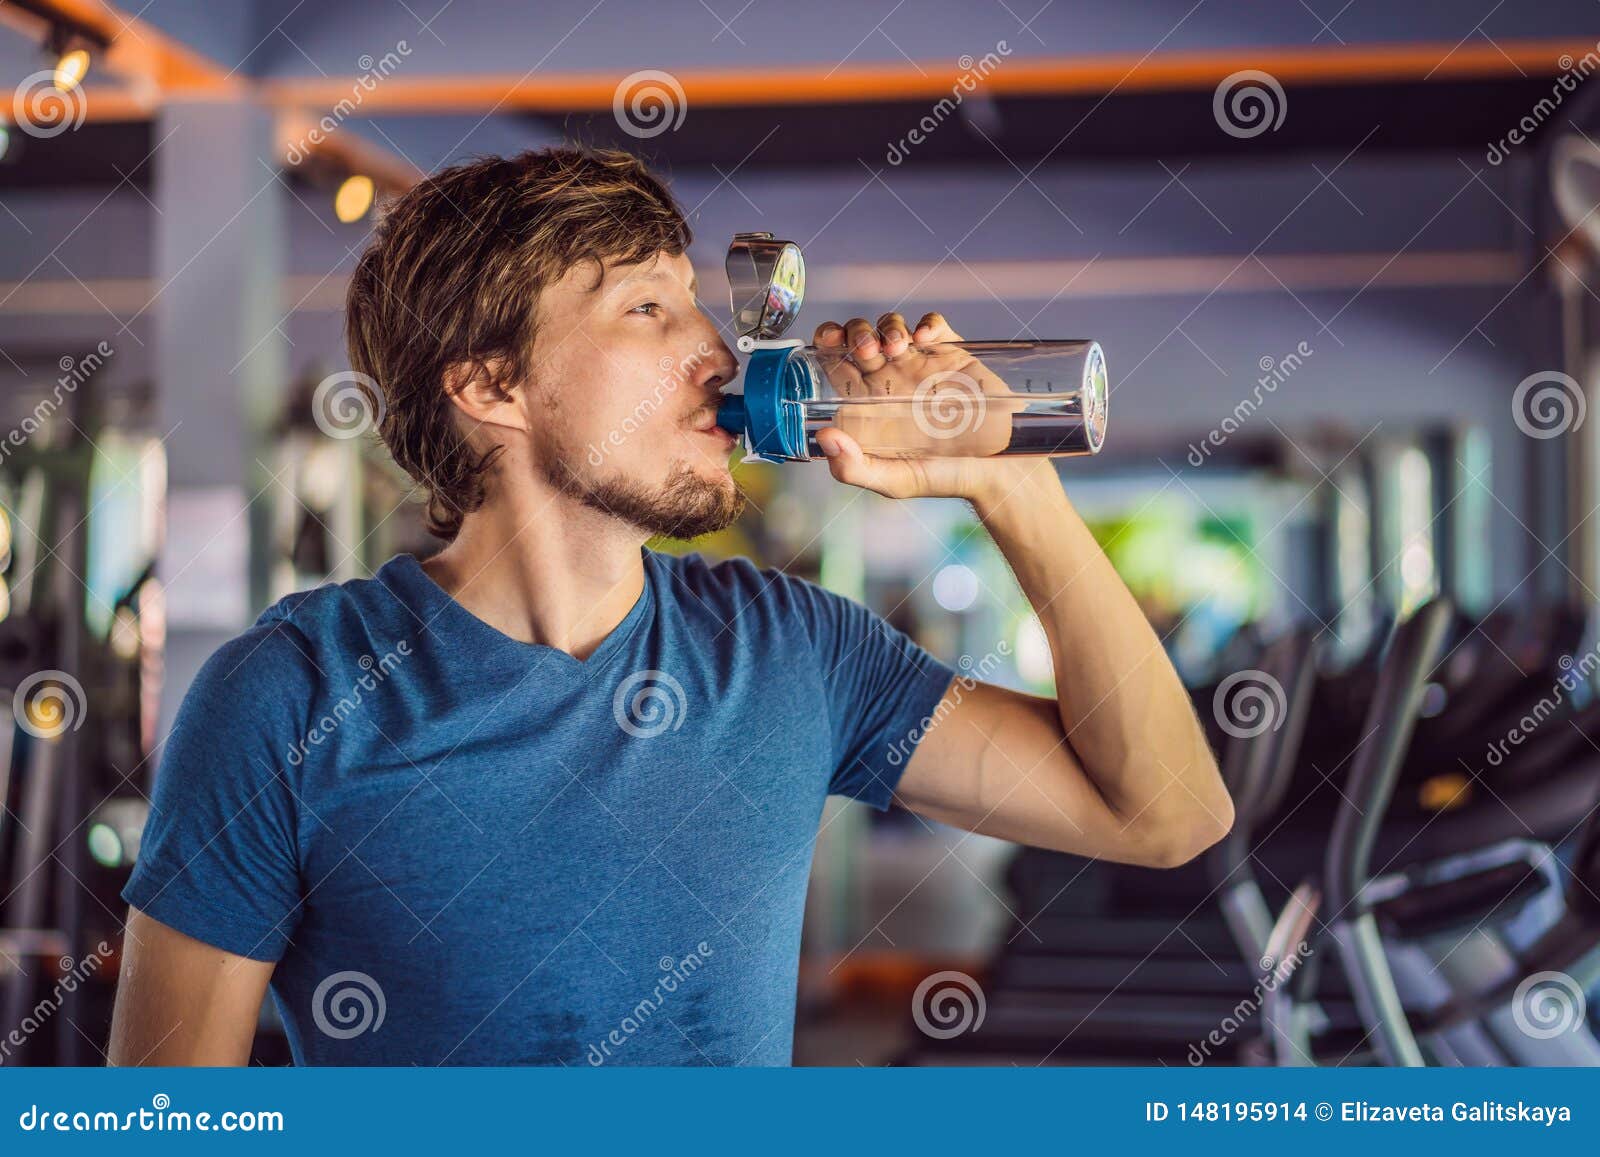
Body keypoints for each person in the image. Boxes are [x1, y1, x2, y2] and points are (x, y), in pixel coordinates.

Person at [108, 146, 1230, 1067]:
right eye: (649, 306)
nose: (712, 353)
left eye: (696, 304)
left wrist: (1005, 478)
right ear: (491, 384)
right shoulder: (288, 696)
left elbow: (1167, 815)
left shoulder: (795, 647)